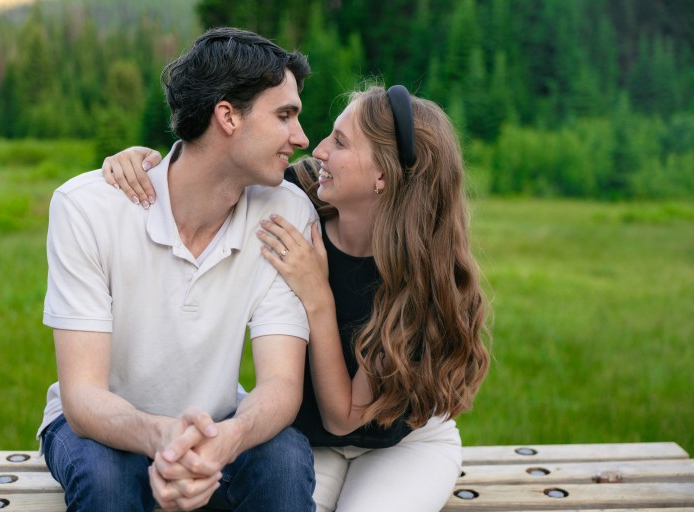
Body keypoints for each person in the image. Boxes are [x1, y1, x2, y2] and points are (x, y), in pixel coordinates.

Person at [105, 84, 491, 511]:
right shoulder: (296, 197)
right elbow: (212, 170)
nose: (320, 150)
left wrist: (318, 298)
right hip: (310, 441)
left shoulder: (417, 278)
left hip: (402, 443)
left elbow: (343, 417)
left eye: (341, 142)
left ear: (383, 176)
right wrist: (144, 161)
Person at [39, 27, 319, 512]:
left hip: (217, 421)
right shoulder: (87, 207)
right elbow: (82, 396)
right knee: (108, 481)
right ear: (227, 115)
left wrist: (226, 439)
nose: (302, 136)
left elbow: (281, 385)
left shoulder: (287, 213)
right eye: (284, 115)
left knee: (285, 462)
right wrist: (164, 437)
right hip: (97, 427)